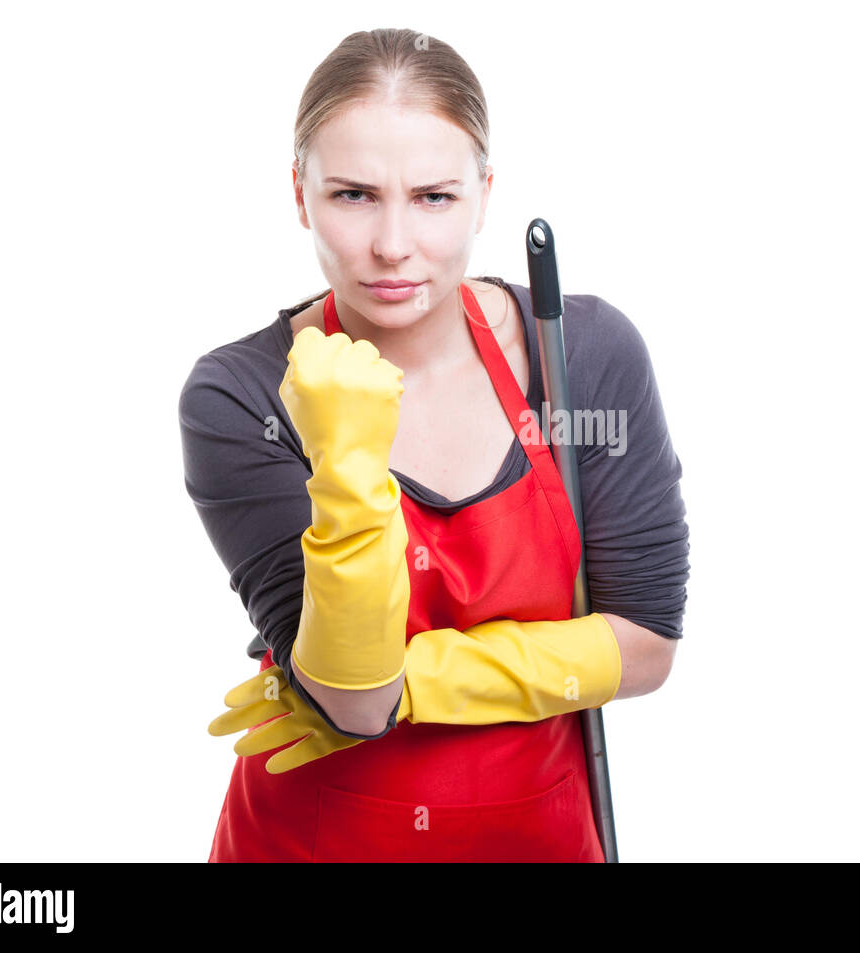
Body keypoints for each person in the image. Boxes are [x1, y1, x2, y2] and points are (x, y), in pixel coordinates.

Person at [178, 28, 689, 862]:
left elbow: (644, 646)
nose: (391, 244)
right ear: (300, 195)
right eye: (352, 195)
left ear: (484, 194)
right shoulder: (240, 395)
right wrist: (343, 459)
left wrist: (419, 682)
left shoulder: (584, 357)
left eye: (433, 198)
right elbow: (351, 694)